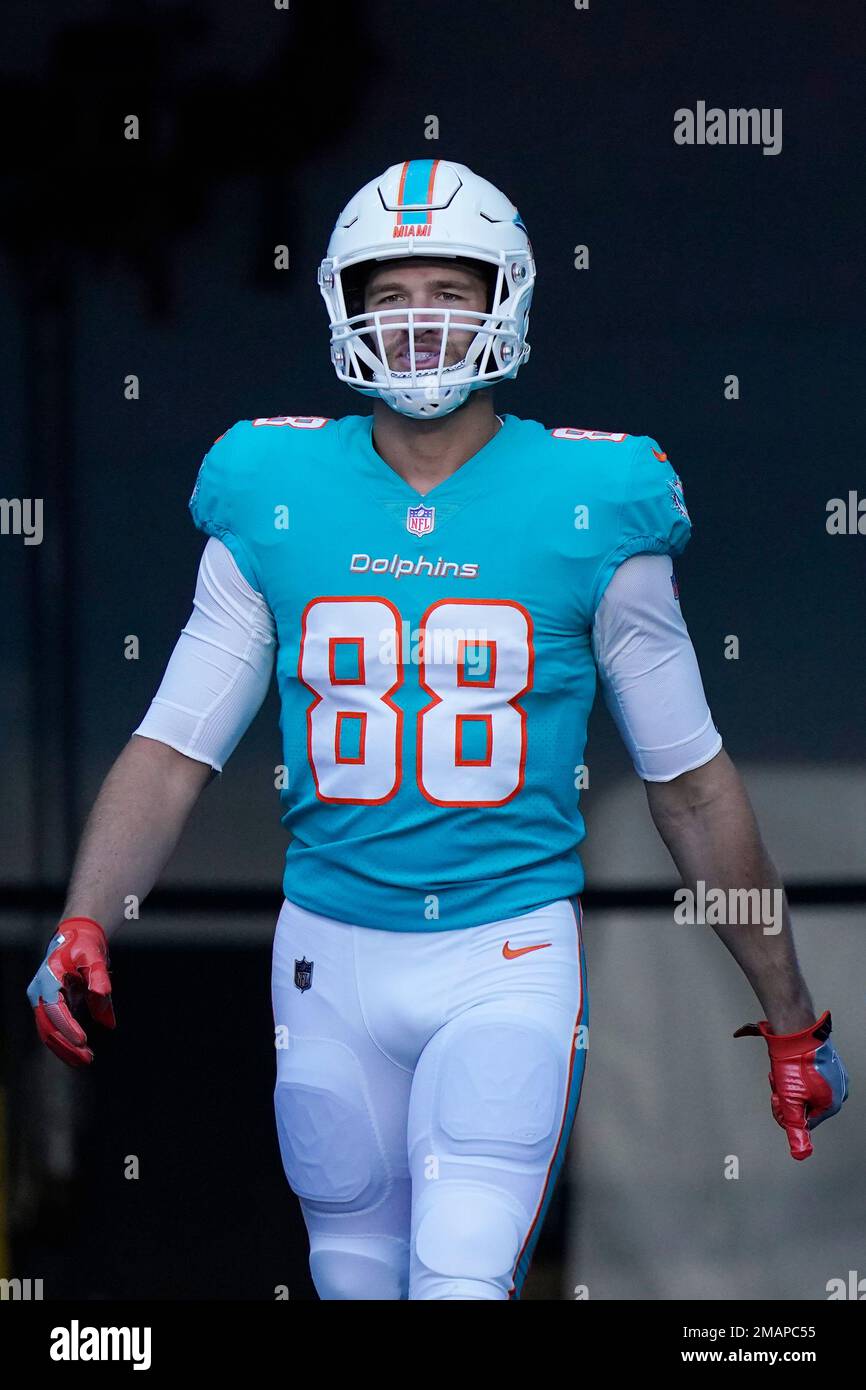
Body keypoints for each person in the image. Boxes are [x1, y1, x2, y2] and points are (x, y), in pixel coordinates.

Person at [27, 159, 848, 1300]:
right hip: (324, 954)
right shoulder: (271, 485)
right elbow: (173, 751)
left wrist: (787, 1011)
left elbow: (690, 788)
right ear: (343, 305)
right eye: (389, 286)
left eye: (447, 288)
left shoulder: (593, 500)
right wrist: (83, 917)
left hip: (502, 952)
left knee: (458, 1276)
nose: (416, 318)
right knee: (353, 1281)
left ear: (504, 300)